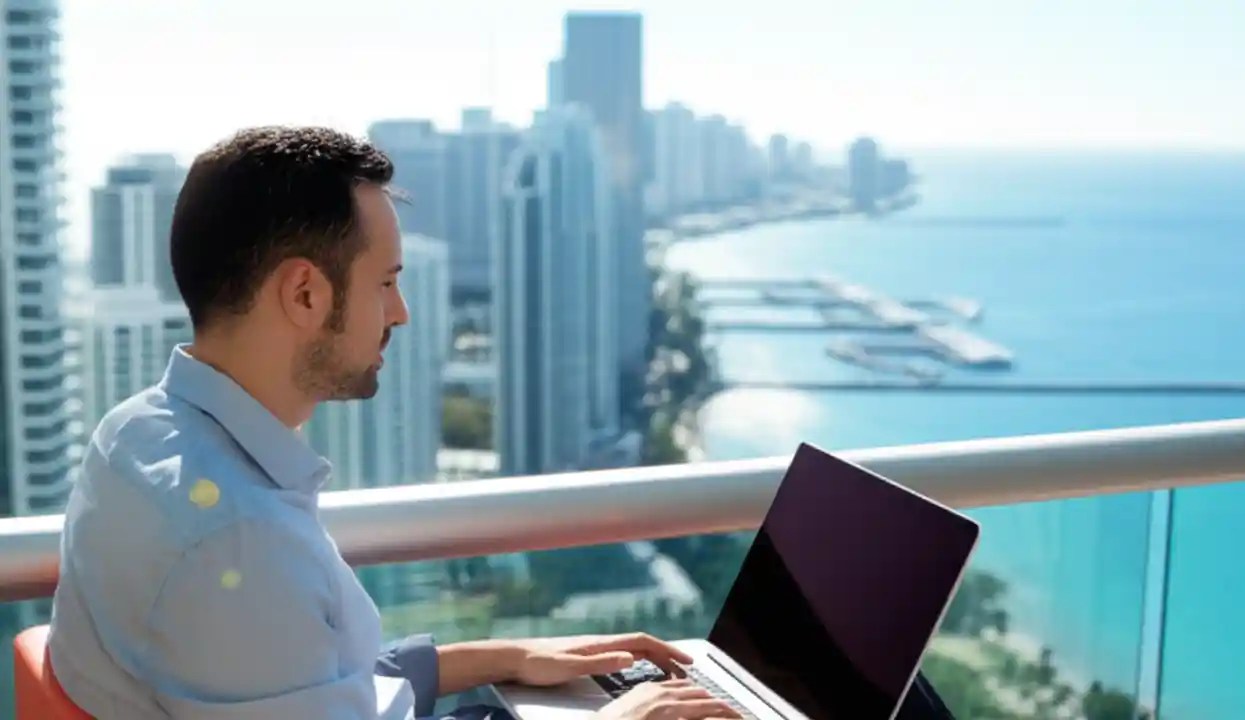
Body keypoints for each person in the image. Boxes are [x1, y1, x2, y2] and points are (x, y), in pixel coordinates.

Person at [49, 126, 739, 720]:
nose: (401, 311)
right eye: (385, 282)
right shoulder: (237, 539)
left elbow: (294, 682)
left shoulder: (135, 433)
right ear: (305, 293)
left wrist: (506, 657)